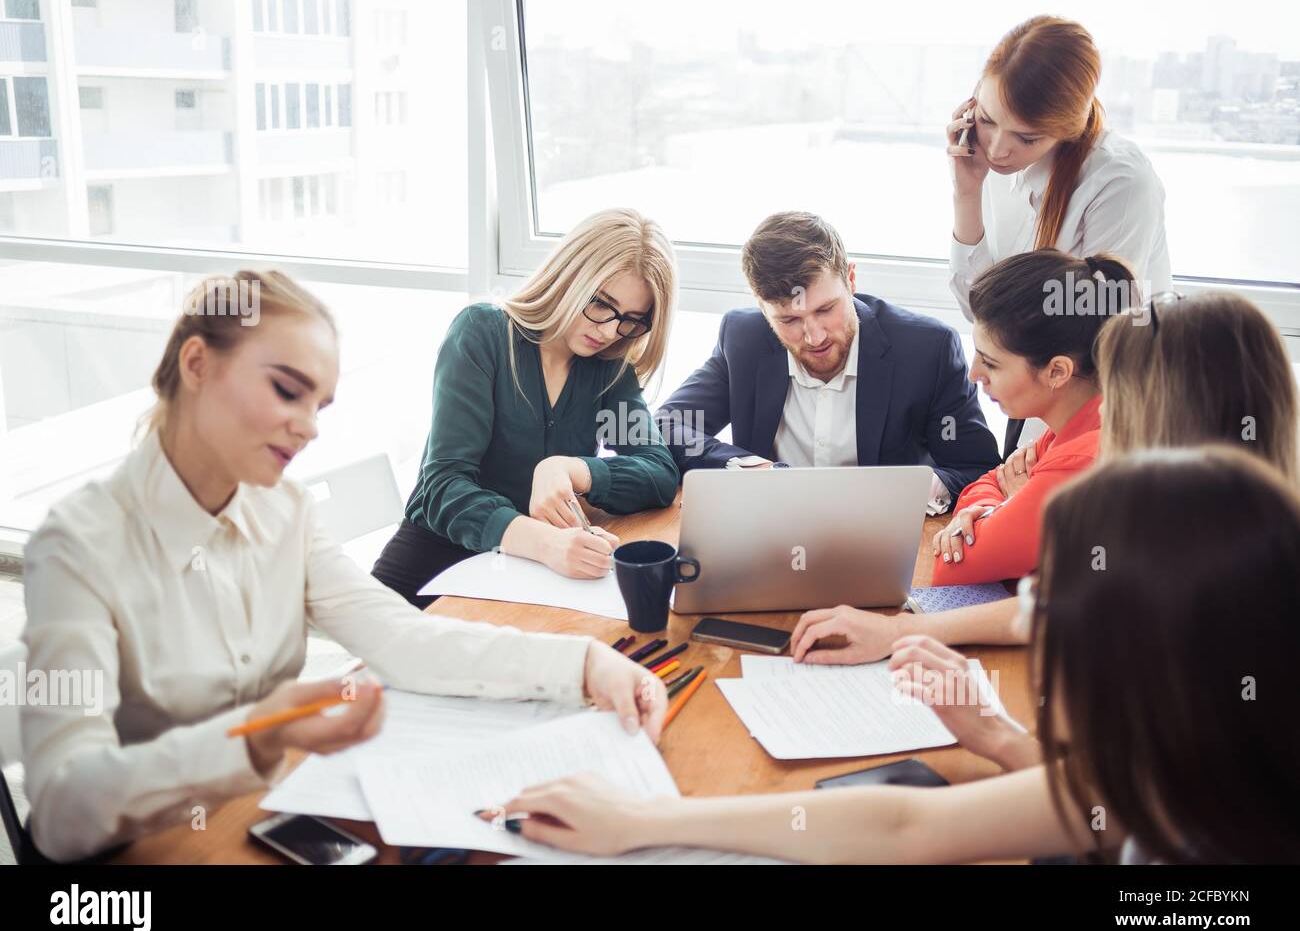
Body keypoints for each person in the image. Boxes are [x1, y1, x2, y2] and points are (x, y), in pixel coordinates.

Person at [19, 271, 666, 863]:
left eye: (320, 407)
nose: (308, 429)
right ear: (197, 363)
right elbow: (58, 815)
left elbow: (405, 639)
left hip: (267, 815)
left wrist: (583, 663)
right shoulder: (80, 545)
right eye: (286, 391)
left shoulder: (282, 511)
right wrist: (254, 737)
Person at [498, 448, 1300, 864]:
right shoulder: (1198, 769)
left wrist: (641, 818)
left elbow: (911, 826)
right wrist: (998, 739)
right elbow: (1086, 811)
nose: (1036, 623)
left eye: (1056, 605)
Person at [789, 290, 1299, 664]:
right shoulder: (1196, 521)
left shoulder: (1228, 569)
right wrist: (896, 634)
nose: (1102, 411)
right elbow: (1056, 609)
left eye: (1115, 392)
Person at [372, 208, 680, 608]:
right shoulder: (482, 334)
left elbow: (658, 472)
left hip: (527, 574)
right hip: (433, 566)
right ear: (570, 275)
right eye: (602, 304)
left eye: (631, 320)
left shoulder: (609, 367)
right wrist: (547, 544)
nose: (609, 331)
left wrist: (569, 468)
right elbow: (443, 487)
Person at [656, 211, 999, 515]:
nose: (814, 336)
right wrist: (751, 470)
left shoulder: (927, 350)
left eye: (825, 309)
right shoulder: (743, 339)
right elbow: (666, 425)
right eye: (789, 320)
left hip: (881, 535)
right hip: (770, 531)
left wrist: (915, 490)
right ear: (761, 307)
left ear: (851, 279)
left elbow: (975, 467)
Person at [947, 15, 1172, 456]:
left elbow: (1097, 344)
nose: (998, 149)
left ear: (1065, 129)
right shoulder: (991, 164)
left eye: (1026, 137)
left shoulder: (1120, 182)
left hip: (1105, 407)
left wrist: (1039, 455)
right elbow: (984, 314)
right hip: (1039, 398)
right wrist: (966, 192)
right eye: (989, 120)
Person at [929, 249, 1132, 586]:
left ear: (1056, 371)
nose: (974, 374)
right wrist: (1005, 505)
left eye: (991, 363)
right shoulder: (1077, 425)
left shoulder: (1080, 460)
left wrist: (1009, 504)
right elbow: (986, 481)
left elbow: (951, 570)